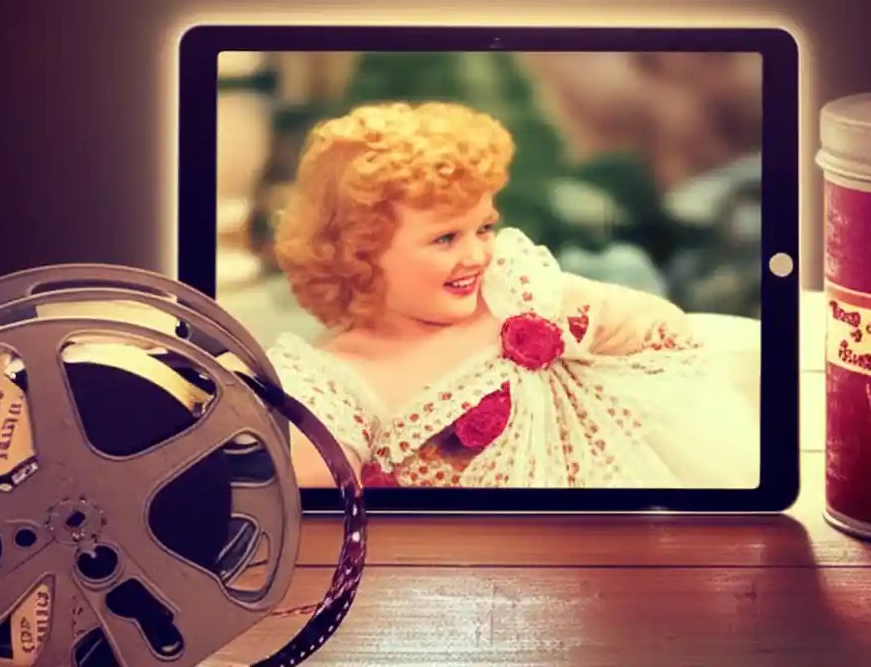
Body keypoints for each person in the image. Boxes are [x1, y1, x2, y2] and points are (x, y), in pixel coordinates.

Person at [266, 101, 759, 489]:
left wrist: (641, 342)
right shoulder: (344, 378)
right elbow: (312, 494)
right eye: (445, 238)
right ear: (360, 251)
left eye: (484, 228)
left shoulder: (509, 288)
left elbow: (640, 322)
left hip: (604, 519)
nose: (477, 254)